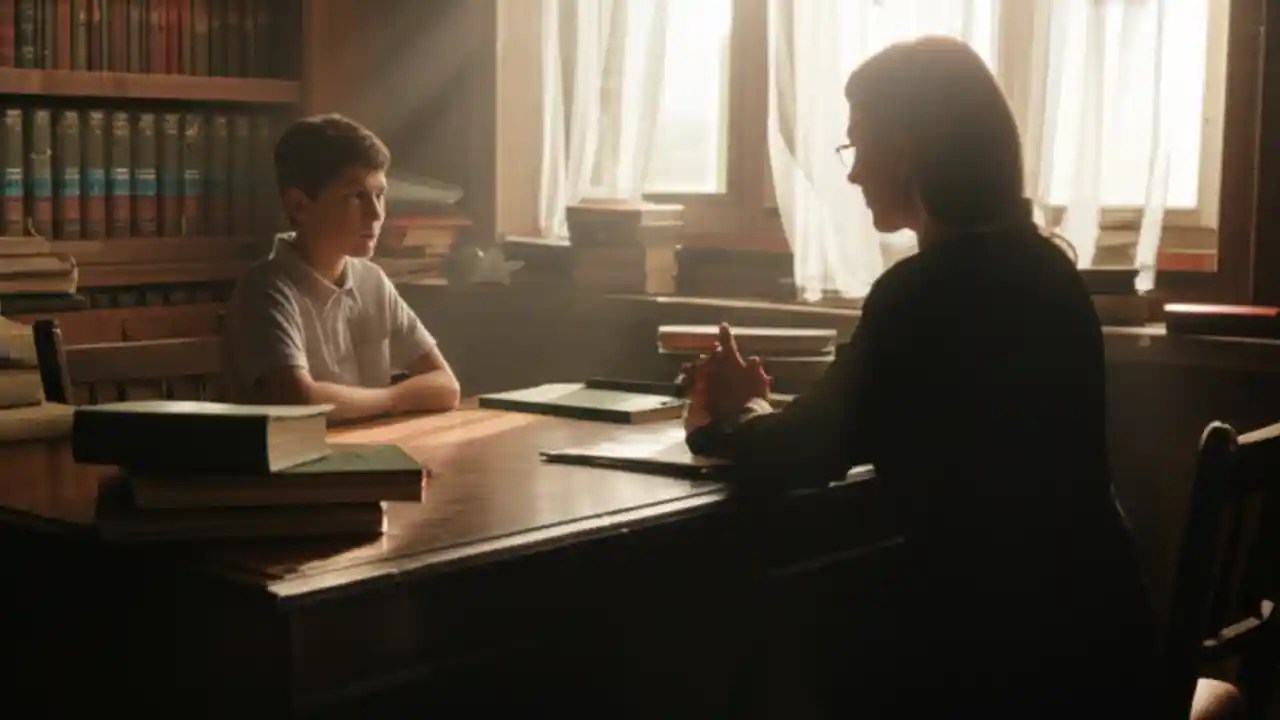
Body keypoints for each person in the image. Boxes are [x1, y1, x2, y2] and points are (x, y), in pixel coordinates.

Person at [682, 37, 1157, 717]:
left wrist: (721, 418)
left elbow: (806, 452)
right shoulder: (1051, 274)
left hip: (1001, 670)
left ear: (903, 146)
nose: (851, 175)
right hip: (1100, 648)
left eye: (857, 146)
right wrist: (767, 411)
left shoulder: (924, 293)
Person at [223, 114, 460, 423]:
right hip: (284, 465)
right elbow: (300, 400)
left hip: (365, 449)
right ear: (299, 205)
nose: (375, 214)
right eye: (356, 196)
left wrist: (383, 400)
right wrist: (396, 397)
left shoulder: (371, 280)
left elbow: (445, 386)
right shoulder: (266, 289)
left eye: (380, 195)